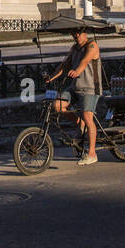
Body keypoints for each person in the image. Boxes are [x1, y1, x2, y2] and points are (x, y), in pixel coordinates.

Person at [45, 26, 103, 166]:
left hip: (90, 88)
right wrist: (51, 78)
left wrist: (77, 71)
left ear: (85, 33)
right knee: (57, 105)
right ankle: (80, 123)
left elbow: (85, 61)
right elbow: (65, 65)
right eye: (73, 33)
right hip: (75, 87)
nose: (76, 35)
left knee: (88, 117)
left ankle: (92, 153)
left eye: (79, 33)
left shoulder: (92, 45)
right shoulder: (75, 48)